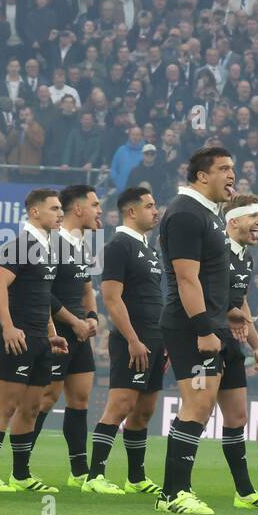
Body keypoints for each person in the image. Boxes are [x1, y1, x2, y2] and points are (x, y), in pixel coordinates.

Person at [155, 146, 237, 515]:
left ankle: (171, 493)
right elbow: (187, 279)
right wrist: (204, 329)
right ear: (202, 176)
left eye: (233, 168)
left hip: (208, 323)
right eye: (223, 169)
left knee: (199, 406)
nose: (231, 175)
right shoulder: (187, 214)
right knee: (198, 403)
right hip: (191, 327)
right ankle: (174, 495)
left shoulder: (208, 214)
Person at [0, 187, 69, 492]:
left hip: (40, 340)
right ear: (34, 212)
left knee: (32, 408)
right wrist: (8, 327)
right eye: (55, 209)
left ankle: (20, 475)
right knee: (6, 406)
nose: (60, 214)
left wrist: (52, 333)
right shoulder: (20, 245)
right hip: (17, 338)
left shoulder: (46, 248)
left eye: (60, 209)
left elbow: (41, 298)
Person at [82, 186, 164, 495]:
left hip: (155, 340)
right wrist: (132, 339)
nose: (155, 211)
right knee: (120, 406)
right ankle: (95, 476)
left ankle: (136, 478)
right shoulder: (118, 246)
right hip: (133, 340)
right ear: (131, 211)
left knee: (144, 411)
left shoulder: (150, 248)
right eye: (150, 206)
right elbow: (112, 299)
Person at [33, 183, 102, 489]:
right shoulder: (53, 243)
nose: (100, 211)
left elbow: (87, 288)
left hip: (80, 332)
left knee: (81, 398)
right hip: (58, 331)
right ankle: (21, 467)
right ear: (79, 209)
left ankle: (80, 472)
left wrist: (93, 317)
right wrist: (74, 321)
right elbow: (44, 294)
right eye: (96, 205)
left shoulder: (82, 245)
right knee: (47, 397)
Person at [217, 193, 258, 510]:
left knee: (237, 416)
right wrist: (227, 316)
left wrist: (257, 345)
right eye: (254, 216)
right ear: (233, 220)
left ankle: (245, 492)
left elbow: (240, 304)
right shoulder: (214, 251)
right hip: (205, 338)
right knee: (195, 415)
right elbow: (195, 295)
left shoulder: (247, 259)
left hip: (232, 343)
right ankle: (175, 487)